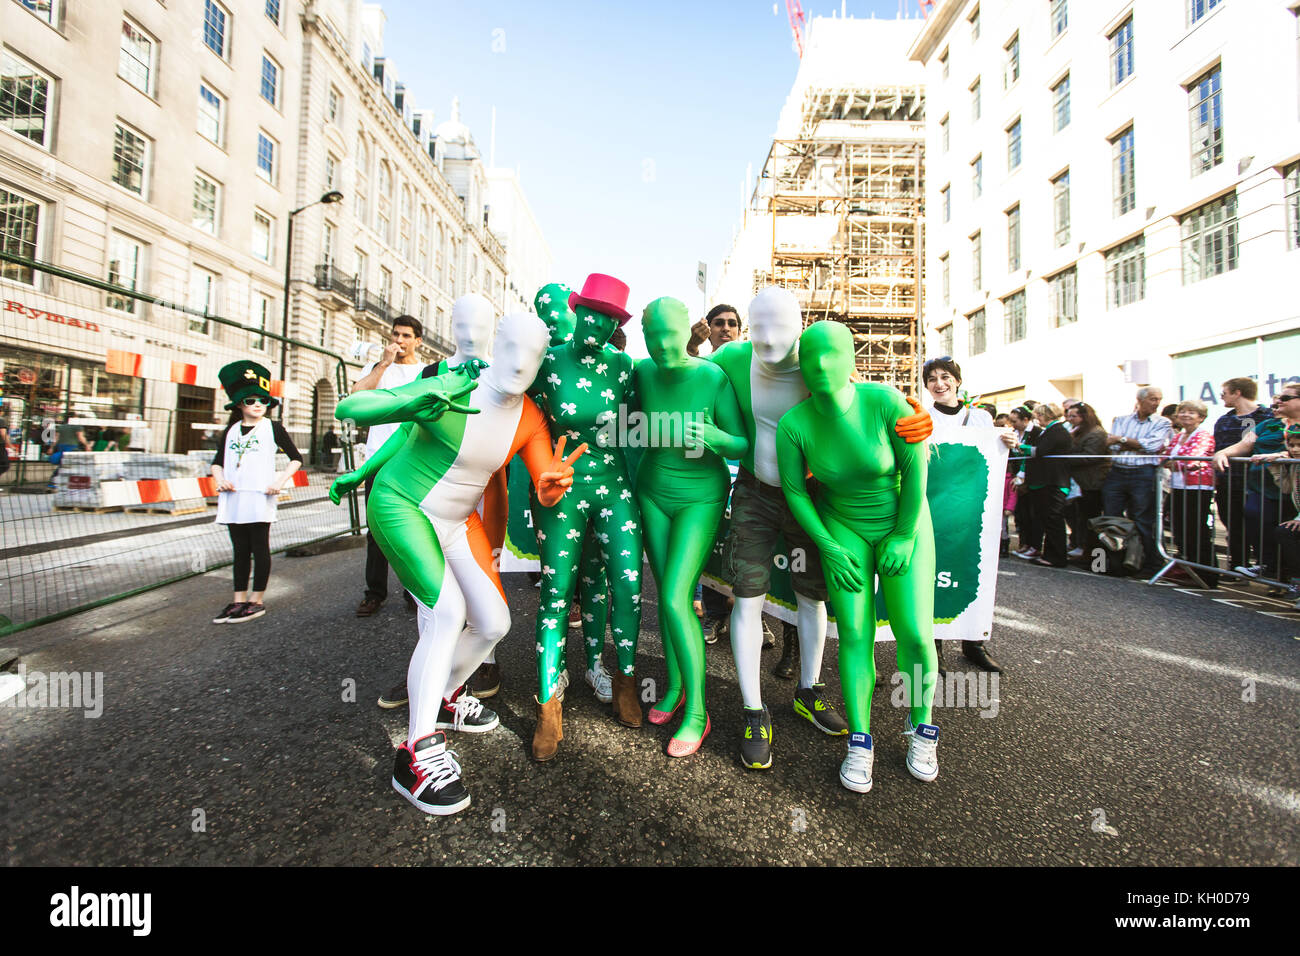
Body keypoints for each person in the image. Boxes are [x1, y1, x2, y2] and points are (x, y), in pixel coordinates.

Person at [330, 313, 584, 815]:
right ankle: (416, 754)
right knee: (447, 613)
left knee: (494, 622)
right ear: (497, 344)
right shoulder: (456, 385)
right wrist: (408, 404)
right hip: (402, 506)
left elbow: (544, 482)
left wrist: (551, 488)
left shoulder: (530, 416)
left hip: (457, 521)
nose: (521, 362)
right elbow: (351, 407)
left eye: (534, 356)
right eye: (512, 347)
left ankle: (443, 695)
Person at [709, 287, 931, 770]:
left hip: (813, 499)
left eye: (781, 326)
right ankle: (752, 709)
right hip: (754, 492)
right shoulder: (730, 357)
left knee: (816, 596)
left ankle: (810, 690)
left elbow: (864, 401)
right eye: (758, 325)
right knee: (747, 596)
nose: (768, 338)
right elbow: (687, 376)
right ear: (747, 326)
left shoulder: (817, 358)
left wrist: (917, 419)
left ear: (801, 327)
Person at [777, 321, 939, 794]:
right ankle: (860, 739)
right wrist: (827, 544)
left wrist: (905, 535)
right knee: (852, 632)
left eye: (833, 354)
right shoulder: (795, 424)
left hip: (902, 521)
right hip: (842, 527)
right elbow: (794, 491)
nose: (821, 364)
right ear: (800, 365)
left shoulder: (883, 401)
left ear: (852, 360)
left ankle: (923, 728)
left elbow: (915, 468)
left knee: (914, 632)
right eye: (811, 356)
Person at [526, 273, 644, 760]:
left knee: (625, 584)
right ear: (577, 310)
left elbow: (650, 417)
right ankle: (548, 705)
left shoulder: (624, 366)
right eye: (591, 312)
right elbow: (512, 411)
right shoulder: (546, 362)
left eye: (609, 317)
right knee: (556, 594)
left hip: (614, 489)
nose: (597, 324)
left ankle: (622, 680)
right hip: (563, 490)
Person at [634, 297, 749, 756]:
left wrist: (719, 439)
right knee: (666, 596)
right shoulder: (640, 372)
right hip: (651, 490)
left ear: (687, 330)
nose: (662, 345)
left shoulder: (711, 376)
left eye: (670, 334)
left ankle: (698, 712)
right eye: (652, 335)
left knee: (678, 594)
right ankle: (676, 684)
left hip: (701, 495)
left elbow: (741, 441)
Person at [371, 298, 498, 710]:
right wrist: (362, 471)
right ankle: (428, 679)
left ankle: (476, 668)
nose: (469, 330)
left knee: (485, 595)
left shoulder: (505, 373)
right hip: (424, 501)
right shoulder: (432, 373)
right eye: (460, 321)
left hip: (477, 501)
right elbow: (407, 431)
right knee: (436, 603)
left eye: (478, 322)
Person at [922, 356, 1001, 672]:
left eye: (945, 377)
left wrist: (1006, 440)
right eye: (932, 379)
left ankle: (974, 643)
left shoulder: (980, 419)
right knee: (935, 576)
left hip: (971, 514)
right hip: (937, 510)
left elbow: (993, 457)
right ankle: (935, 648)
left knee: (971, 575)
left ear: (957, 380)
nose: (939, 384)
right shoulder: (923, 417)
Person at [210, 361, 303, 624]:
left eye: (262, 400)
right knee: (239, 549)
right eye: (250, 401)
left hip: (260, 495)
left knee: (259, 547)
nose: (257, 405)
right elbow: (217, 462)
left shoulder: (273, 428)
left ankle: (257, 599)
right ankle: (238, 599)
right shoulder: (230, 431)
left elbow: (295, 458)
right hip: (234, 497)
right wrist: (221, 480)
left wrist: (280, 481)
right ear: (239, 404)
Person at [352, 316, 429, 618]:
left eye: (406, 335)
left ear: (418, 340)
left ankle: (414, 589)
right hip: (378, 456)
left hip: (412, 458)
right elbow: (357, 395)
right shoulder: (379, 368)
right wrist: (383, 364)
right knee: (376, 529)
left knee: (414, 527)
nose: (399, 340)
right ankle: (374, 593)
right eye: (396, 334)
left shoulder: (425, 371)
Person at [687, 304, 744, 640]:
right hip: (706, 462)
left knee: (743, 537)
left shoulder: (752, 363)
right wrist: (692, 347)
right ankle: (713, 612)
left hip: (745, 462)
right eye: (718, 323)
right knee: (710, 537)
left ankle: (752, 613)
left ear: (741, 329)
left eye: (732, 323)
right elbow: (680, 373)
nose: (725, 328)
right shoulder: (701, 364)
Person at [1213, 383, 1300, 588]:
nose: (1278, 401)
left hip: (1293, 489)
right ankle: (1268, 565)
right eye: (1278, 397)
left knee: (1287, 532)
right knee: (1255, 517)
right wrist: (1222, 453)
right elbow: (1244, 446)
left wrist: (1282, 455)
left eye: (1285, 398)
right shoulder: (1268, 424)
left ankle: (1287, 577)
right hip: (1263, 486)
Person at [1103, 386, 1174, 575]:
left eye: (1159, 399)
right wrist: (1131, 442)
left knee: (1144, 519)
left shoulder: (1163, 422)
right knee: (1112, 518)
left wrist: (1122, 440)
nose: (1156, 403)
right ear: (1140, 400)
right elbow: (1111, 445)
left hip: (1144, 473)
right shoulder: (1120, 420)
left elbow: (1152, 446)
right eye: (1152, 399)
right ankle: (1117, 563)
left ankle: (1151, 564)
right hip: (1118, 472)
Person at [1213, 377, 1272, 577]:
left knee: (1261, 528)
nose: (1221, 397)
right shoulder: (1224, 420)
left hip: (1260, 483)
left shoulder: (1268, 417)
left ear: (1237, 392)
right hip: (1230, 481)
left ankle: (1270, 569)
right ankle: (1237, 567)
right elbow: (1219, 449)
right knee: (1234, 527)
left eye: (1224, 393)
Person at [1163, 399, 1217, 586]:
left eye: (1191, 412)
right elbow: (1165, 456)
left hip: (1197, 487)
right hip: (1178, 486)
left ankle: (1207, 574)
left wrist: (1174, 463)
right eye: (1182, 411)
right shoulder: (1178, 436)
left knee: (1196, 530)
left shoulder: (1203, 435)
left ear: (1201, 418)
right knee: (1179, 529)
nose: (1185, 415)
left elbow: (1193, 461)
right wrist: (1173, 462)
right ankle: (1189, 568)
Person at [1012, 403, 1072, 568]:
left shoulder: (1057, 431)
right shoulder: (1052, 430)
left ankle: (1056, 557)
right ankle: (1051, 554)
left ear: (1047, 415)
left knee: (1053, 520)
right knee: (1049, 520)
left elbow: (1039, 451)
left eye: (1039, 415)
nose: (1037, 418)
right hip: (1047, 481)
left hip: (1052, 481)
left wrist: (1018, 446)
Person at [1064, 402, 1111, 561]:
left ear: (1084, 416)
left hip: (1092, 482)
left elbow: (1091, 456)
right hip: (1079, 481)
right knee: (1078, 517)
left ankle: (1092, 553)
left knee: (1090, 518)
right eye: (1069, 416)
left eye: (1074, 416)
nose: (1070, 419)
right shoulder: (1077, 431)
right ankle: (1080, 546)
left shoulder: (1096, 433)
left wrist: (1066, 460)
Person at [1006, 405, 1040, 558]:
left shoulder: (1036, 433)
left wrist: (1022, 474)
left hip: (1030, 478)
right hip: (1016, 478)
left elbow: (1034, 455)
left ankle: (1034, 545)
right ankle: (1024, 543)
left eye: (1015, 421)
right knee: (1021, 515)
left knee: (1033, 514)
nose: (1012, 424)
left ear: (1025, 420)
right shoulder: (1014, 433)